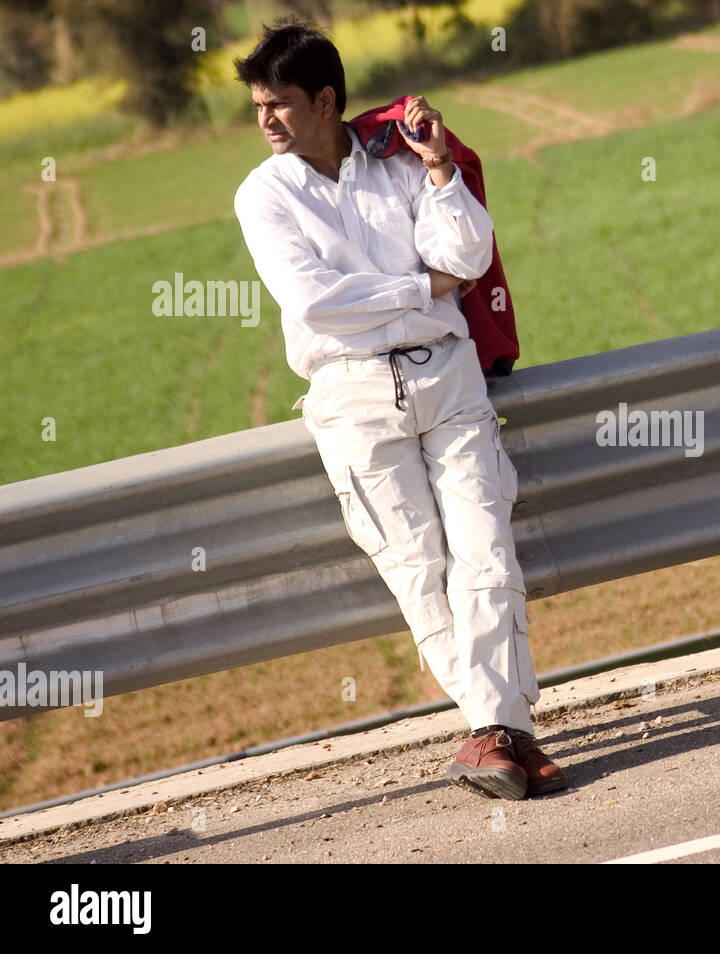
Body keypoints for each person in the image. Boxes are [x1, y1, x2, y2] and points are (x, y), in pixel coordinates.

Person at [231, 21, 565, 800]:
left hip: (450, 382)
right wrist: (420, 289)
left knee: (487, 555)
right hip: (351, 399)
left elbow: (468, 254)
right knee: (421, 571)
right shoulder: (263, 195)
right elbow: (315, 302)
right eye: (257, 107)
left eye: (278, 105)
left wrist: (441, 167)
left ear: (325, 99)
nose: (266, 122)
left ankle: (495, 735)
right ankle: (506, 730)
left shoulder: (401, 162)